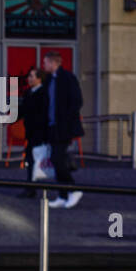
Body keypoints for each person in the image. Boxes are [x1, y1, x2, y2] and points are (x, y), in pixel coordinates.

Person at [42, 51, 85, 209]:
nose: (44, 65)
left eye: (46, 62)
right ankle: (63, 194)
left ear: (54, 63)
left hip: (63, 128)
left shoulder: (67, 78)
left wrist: (66, 120)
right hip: (53, 127)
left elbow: (77, 101)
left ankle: (74, 190)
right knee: (55, 160)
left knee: (58, 159)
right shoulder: (49, 81)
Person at [17, 66, 48, 198]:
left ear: (39, 79)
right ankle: (31, 187)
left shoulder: (45, 93)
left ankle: (65, 188)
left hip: (41, 133)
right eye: (29, 76)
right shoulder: (28, 93)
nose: (29, 79)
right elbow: (22, 110)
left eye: (32, 76)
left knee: (40, 160)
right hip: (31, 132)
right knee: (31, 159)